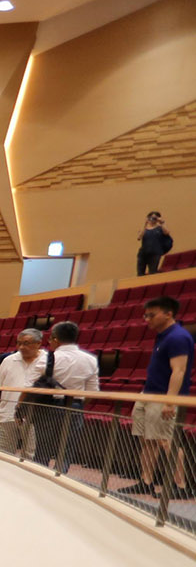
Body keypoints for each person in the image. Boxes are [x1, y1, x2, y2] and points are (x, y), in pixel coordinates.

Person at [123, 296, 194, 496]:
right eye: (145, 315)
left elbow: (178, 371)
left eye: (151, 315)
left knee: (166, 440)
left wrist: (169, 402)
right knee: (148, 439)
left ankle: (180, 486)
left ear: (168, 313)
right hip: (149, 393)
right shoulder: (163, 335)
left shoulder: (178, 337)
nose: (147, 319)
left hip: (164, 396)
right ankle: (146, 481)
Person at [32, 320, 100, 467]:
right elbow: (92, 391)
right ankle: (60, 476)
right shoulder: (90, 359)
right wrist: (77, 403)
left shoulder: (46, 358)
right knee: (67, 449)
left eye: (50, 339)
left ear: (55, 339)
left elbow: (31, 385)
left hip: (48, 407)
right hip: (75, 407)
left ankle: (36, 479)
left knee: (42, 449)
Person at [0, 329, 49, 455]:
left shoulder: (48, 361)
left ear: (38, 343)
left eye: (26, 343)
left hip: (33, 416)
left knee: (30, 453)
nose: (21, 347)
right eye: (19, 343)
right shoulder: (9, 360)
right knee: (4, 452)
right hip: (6, 413)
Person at [137, 211, 173, 277]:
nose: (152, 220)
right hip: (143, 253)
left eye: (154, 218)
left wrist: (162, 222)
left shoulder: (160, 228)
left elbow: (167, 232)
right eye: (150, 217)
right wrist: (145, 224)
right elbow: (139, 237)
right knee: (140, 273)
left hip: (155, 253)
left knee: (153, 272)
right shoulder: (144, 229)